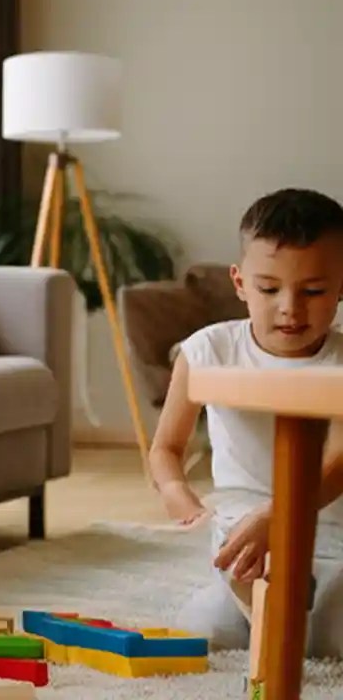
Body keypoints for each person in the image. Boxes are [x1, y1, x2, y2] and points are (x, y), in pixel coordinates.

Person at [147, 188, 343, 656]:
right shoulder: (207, 351)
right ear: (239, 282)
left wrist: (280, 516)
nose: (290, 308)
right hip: (244, 538)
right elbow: (165, 448)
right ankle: (253, 608)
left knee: (326, 636)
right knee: (202, 632)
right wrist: (177, 494)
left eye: (313, 291)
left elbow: (339, 463)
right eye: (269, 288)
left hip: (332, 534)